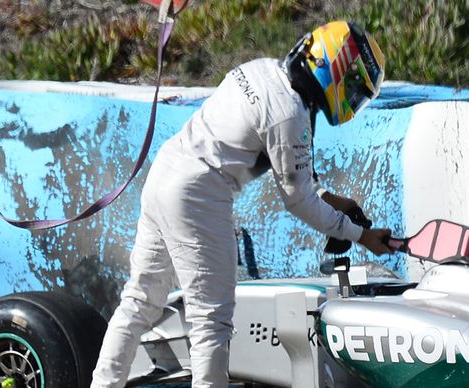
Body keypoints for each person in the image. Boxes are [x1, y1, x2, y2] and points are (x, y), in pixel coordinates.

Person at [91, 21, 396, 388]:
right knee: (211, 320)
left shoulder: (264, 70)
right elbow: (298, 200)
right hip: (199, 195)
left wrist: (339, 204)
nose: (353, 101)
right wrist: (361, 235)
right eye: (354, 89)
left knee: (139, 301)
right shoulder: (291, 115)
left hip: (166, 174)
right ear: (335, 70)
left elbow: (297, 172)